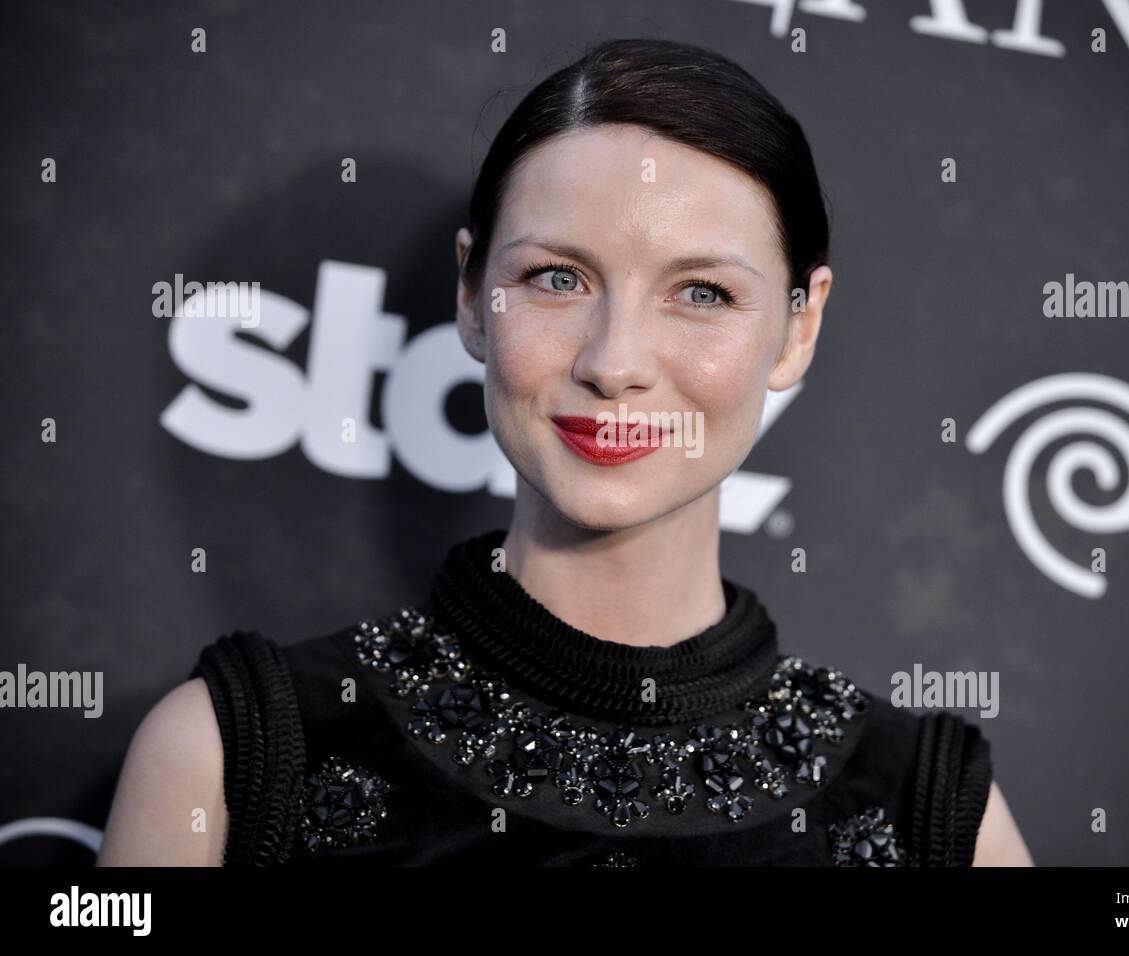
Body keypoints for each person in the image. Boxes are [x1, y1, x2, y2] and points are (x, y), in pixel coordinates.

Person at [98, 37, 1032, 867]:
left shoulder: (929, 812)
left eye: (702, 293)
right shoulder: (231, 754)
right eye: (556, 278)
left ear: (798, 329)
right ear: (472, 299)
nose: (614, 362)